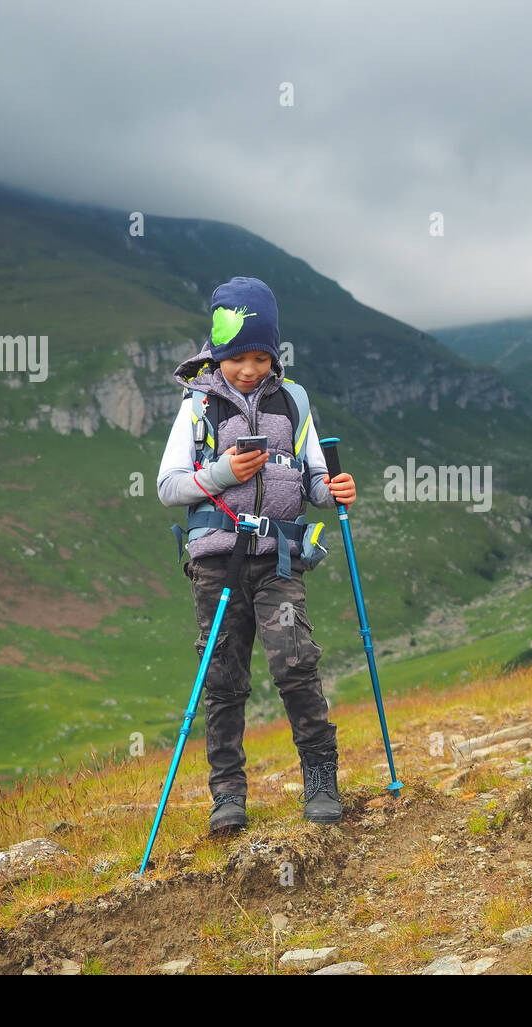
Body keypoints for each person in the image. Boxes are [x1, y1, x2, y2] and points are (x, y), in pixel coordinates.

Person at [155, 276, 356, 832]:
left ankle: (320, 778)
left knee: (295, 661)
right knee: (222, 678)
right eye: (238, 357)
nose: (248, 369)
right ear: (218, 354)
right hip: (216, 561)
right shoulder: (197, 408)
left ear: (274, 353)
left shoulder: (293, 401)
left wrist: (331, 490)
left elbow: (314, 478)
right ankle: (228, 797)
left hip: (279, 558)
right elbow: (168, 486)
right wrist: (222, 472)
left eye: (260, 356)